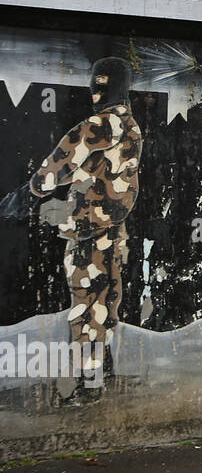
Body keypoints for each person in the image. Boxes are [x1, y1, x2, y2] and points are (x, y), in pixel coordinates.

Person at [0, 58, 142, 404]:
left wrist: (29, 193)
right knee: (106, 303)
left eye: (100, 84)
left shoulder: (101, 123)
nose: (95, 90)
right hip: (112, 230)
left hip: (89, 231)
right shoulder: (130, 124)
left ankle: (88, 388)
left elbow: (61, 160)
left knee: (86, 306)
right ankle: (102, 370)